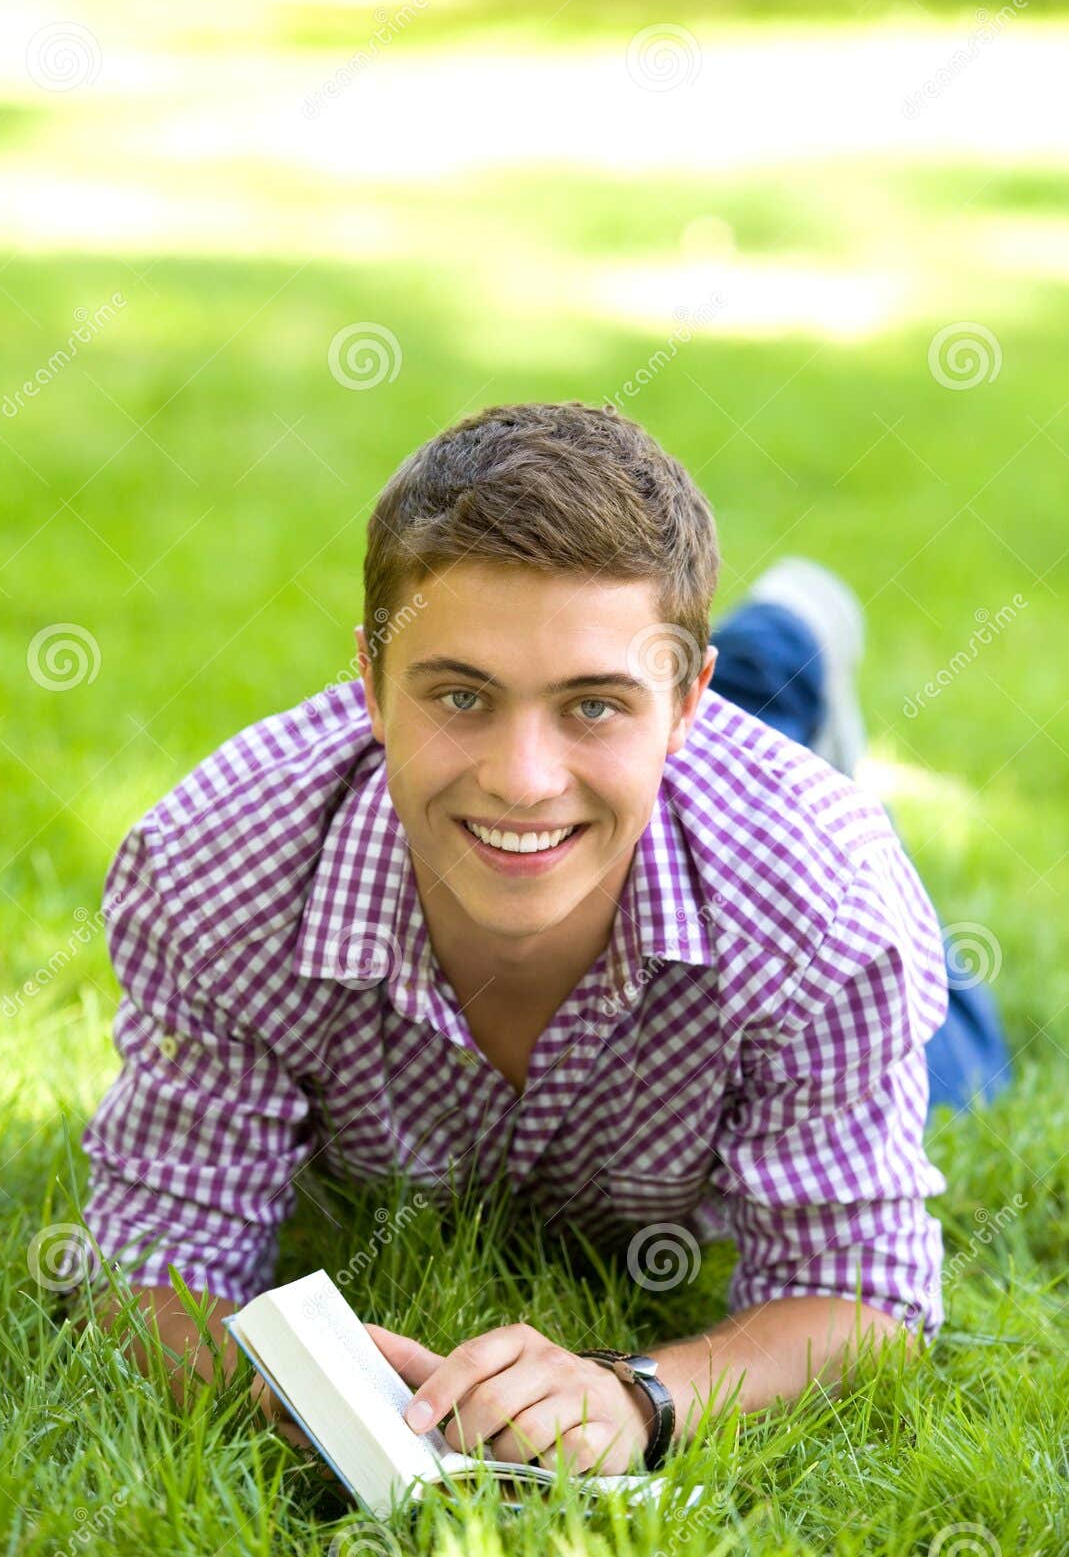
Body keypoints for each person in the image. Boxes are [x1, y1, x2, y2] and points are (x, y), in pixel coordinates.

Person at [78, 401, 1010, 1475]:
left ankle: (777, 661)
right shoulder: (216, 872)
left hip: (747, 855)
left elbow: (867, 1298)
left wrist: (641, 1397)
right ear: (371, 685)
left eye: (591, 705)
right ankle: (708, 677)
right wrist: (277, 1386)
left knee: (965, 1066)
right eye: (461, 694)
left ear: (685, 703)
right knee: (570, 797)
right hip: (643, 802)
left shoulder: (820, 899)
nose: (519, 774)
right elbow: (149, 1265)